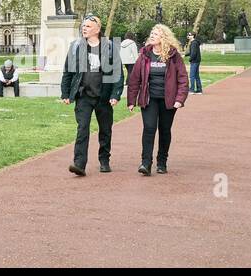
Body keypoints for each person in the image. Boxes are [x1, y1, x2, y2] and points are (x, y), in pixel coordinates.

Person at [60, 14, 124, 176]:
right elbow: (68, 71)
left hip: (104, 96)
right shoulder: (76, 46)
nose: (84, 29)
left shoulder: (109, 47)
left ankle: (104, 160)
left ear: (97, 29)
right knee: (82, 128)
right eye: (83, 26)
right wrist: (65, 93)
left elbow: (117, 72)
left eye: (87, 26)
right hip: (84, 96)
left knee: (105, 130)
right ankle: (79, 164)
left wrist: (116, 94)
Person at [126, 24, 188, 175]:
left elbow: (183, 79)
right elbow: (134, 79)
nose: (152, 35)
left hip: (169, 101)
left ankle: (162, 162)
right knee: (149, 128)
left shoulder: (173, 56)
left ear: (164, 37)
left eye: (156, 33)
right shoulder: (144, 55)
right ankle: (145, 163)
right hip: (149, 99)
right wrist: (131, 100)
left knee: (165, 130)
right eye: (151, 33)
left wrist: (180, 99)